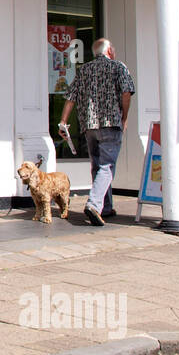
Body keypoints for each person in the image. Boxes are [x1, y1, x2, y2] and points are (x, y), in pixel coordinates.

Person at [58, 37, 135, 226]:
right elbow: (126, 92)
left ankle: (105, 207)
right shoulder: (119, 67)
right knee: (107, 167)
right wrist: (124, 116)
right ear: (109, 51)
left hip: (89, 126)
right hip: (110, 123)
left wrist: (63, 121)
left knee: (97, 166)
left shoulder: (84, 69)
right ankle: (93, 204)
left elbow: (71, 97)